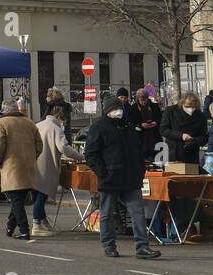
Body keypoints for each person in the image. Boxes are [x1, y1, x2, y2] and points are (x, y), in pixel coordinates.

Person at [85, 96, 161, 259]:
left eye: (119, 109)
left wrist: (140, 170)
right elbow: (91, 154)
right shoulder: (99, 127)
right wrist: (103, 172)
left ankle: (142, 247)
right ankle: (109, 245)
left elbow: (138, 150)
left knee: (138, 213)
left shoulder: (129, 127)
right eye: (114, 110)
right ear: (107, 111)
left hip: (131, 178)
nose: (118, 112)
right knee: (107, 214)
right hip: (110, 178)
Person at [0, 98, 42, 240]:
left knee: (16, 199)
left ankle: (24, 231)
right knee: (18, 198)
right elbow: (39, 144)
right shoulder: (29, 123)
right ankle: (10, 227)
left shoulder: (1, 123)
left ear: (4, 110)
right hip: (29, 166)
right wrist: (32, 157)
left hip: (11, 166)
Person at [29, 104, 83, 237]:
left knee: (37, 195)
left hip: (34, 164)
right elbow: (64, 148)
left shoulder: (38, 125)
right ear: (59, 117)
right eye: (64, 120)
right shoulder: (56, 128)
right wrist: (81, 156)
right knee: (41, 197)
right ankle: (36, 225)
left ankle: (43, 222)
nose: (64, 123)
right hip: (46, 166)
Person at [160, 92, 208, 166]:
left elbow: (204, 137)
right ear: (182, 103)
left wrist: (194, 141)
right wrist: (181, 135)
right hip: (173, 152)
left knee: (191, 176)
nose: (191, 109)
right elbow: (163, 130)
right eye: (188, 106)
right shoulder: (170, 111)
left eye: (193, 107)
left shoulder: (200, 116)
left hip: (191, 154)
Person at [126, 88, 163, 165]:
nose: (143, 102)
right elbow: (130, 122)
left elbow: (160, 118)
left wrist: (155, 122)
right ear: (138, 99)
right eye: (141, 100)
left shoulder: (154, 106)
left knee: (156, 161)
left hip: (154, 137)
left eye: (145, 99)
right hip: (141, 138)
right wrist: (140, 125)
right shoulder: (133, 108)